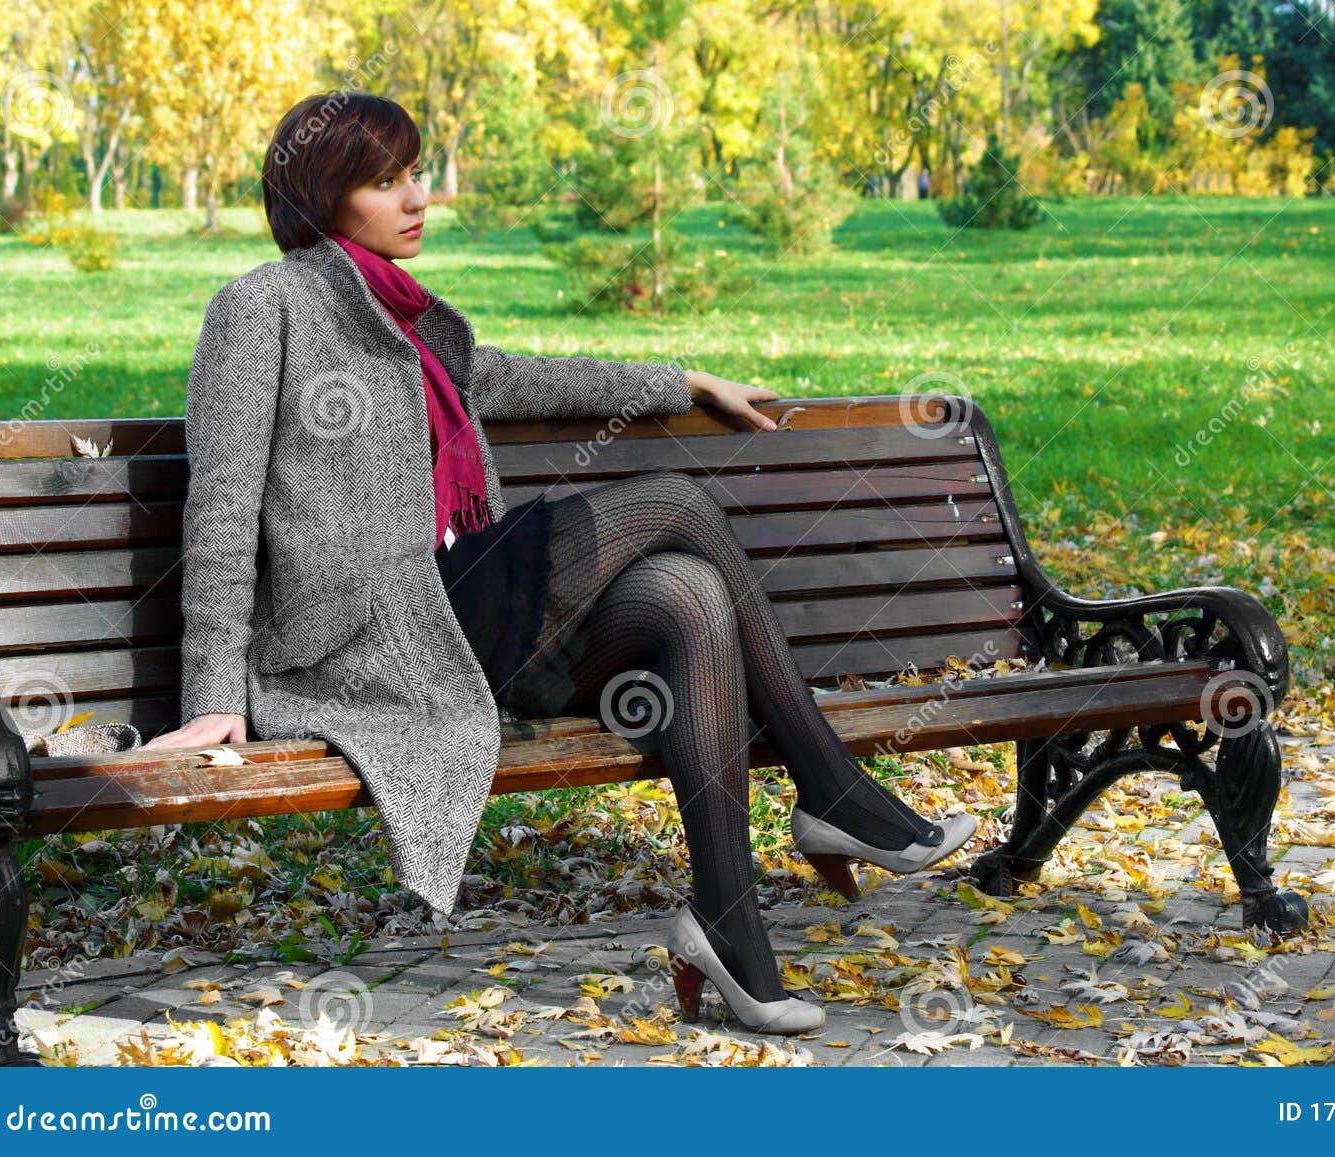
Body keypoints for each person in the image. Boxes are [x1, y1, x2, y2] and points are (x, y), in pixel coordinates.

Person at [140, 91, 975, 1035]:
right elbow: (221, 507)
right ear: (322, 196)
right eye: (385, 182)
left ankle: (728, 925)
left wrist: (682, 382)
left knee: (689, 594)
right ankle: (832, 790)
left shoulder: (409, 317)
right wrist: (215, 693)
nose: (417, 198)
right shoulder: (261, 307)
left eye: (415, 174)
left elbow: (518, 377)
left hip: (467, 622)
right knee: (677, 501)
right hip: (377, 641)